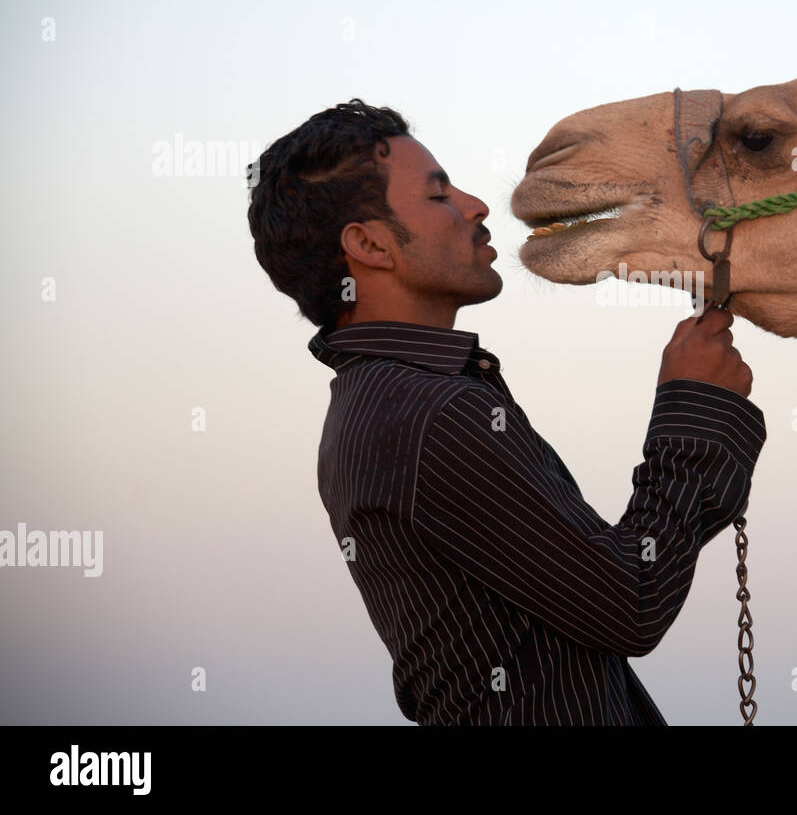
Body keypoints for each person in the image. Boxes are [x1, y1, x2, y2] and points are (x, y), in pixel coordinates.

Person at [246, 99, 766, 724]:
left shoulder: (389, 401)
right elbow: (631, 601)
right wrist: (695, 414)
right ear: (370, 246)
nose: (476, 205)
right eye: (438, 196)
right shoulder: (427, 413)